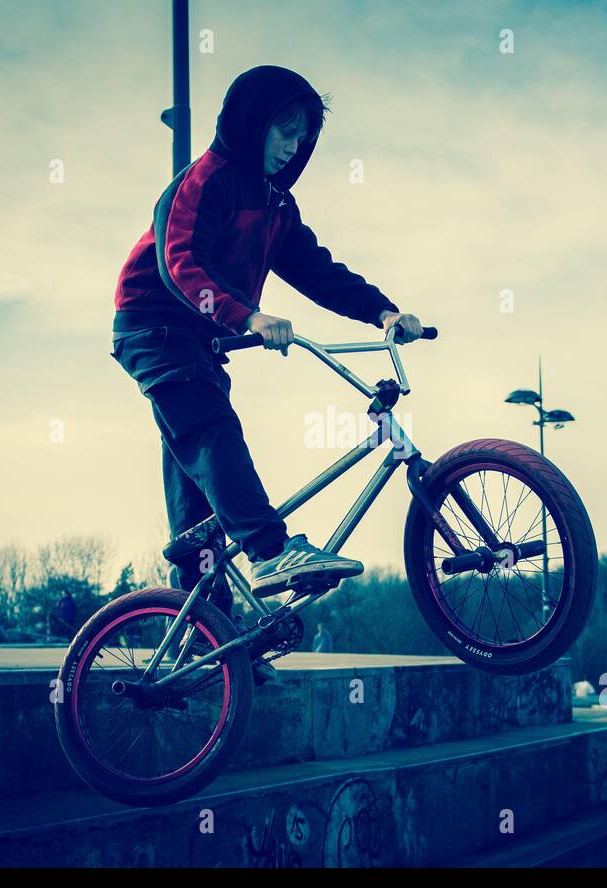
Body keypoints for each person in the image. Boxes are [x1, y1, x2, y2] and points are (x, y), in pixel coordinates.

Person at [111, 65, 423, 615]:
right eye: (284, 131)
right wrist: (246, 316)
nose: (293, 146)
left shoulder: (276, 205)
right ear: (252, 123)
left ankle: (211, 636)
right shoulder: (202, 182)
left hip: (203, 339)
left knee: (198, 491)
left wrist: (382, 310)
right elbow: (179, 264)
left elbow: (318, 271)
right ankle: (271, 552)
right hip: (154, 325)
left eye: (303, 136)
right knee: (211, 430)